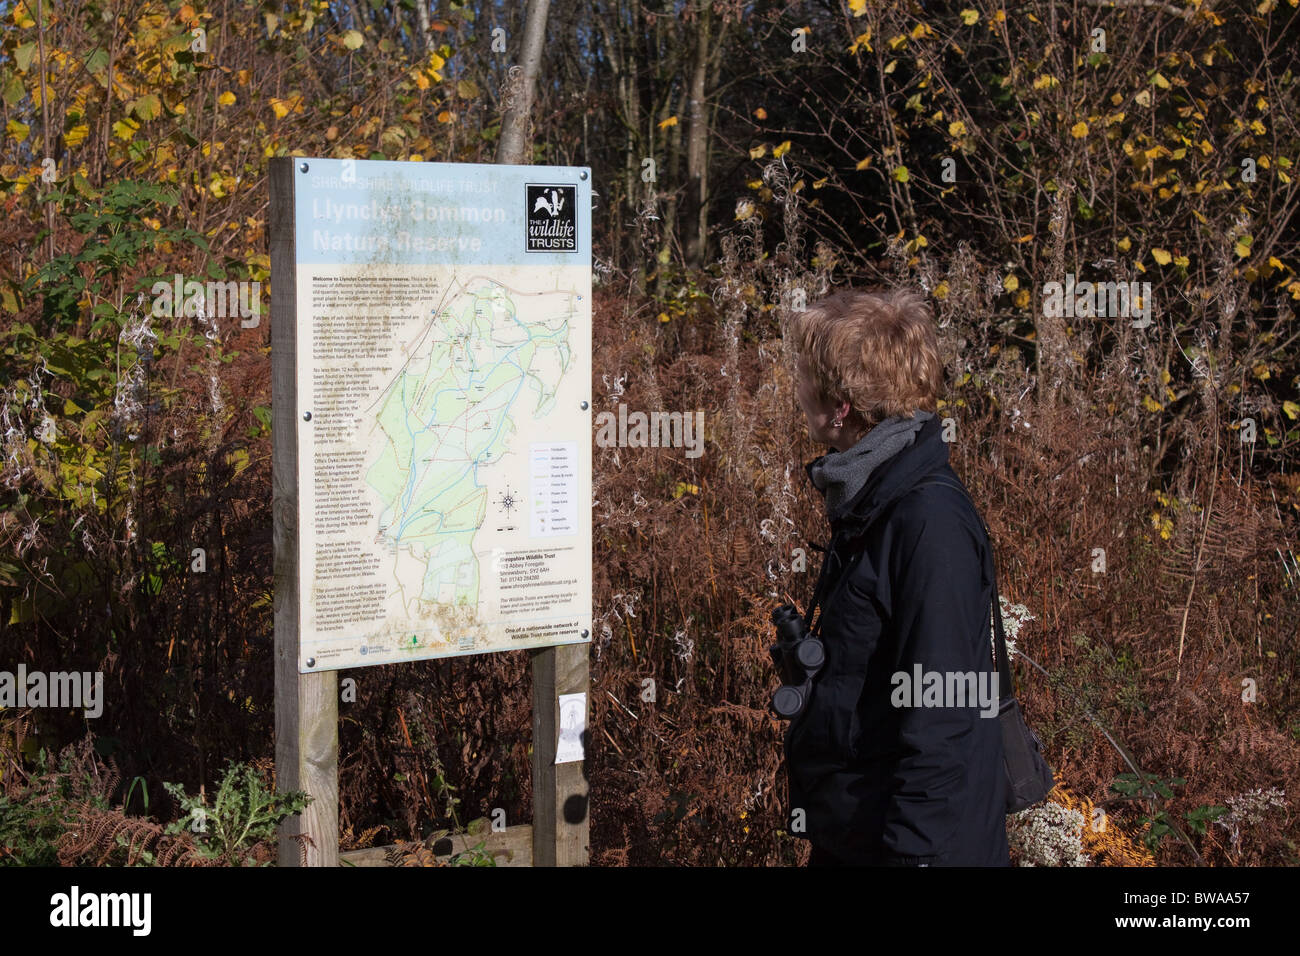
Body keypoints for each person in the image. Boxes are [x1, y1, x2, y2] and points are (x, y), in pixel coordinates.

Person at [781, 287, 1010, 867]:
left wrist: (912, 858)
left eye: (806, 375)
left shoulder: (927, 522)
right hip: (859, 831)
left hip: (910, 846)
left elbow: (945, 719)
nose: (796, 387)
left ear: (842, 405)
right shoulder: (874, 497)